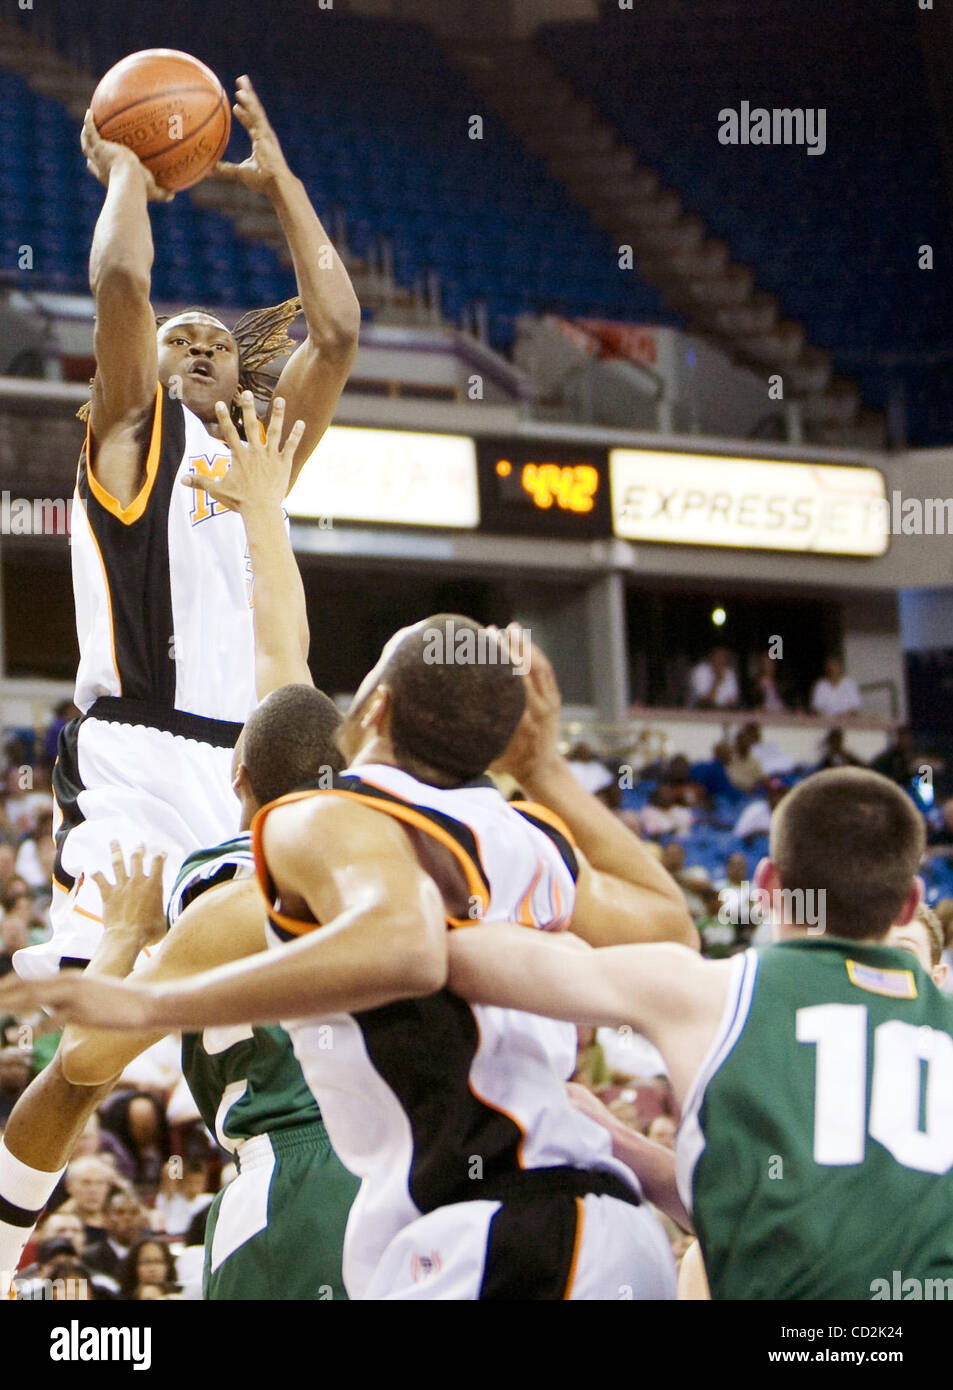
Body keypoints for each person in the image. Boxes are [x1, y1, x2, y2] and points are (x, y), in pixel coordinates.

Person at [5, 624, 697, 1301]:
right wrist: (542, 768)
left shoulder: (318, 824)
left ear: (377, 709)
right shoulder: (525, 834)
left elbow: (405, 943)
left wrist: (148, 994)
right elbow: (671, 936)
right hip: (608, 1221)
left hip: (477, 1228)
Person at [0, 75, 360, 1294]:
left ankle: (286, 1228)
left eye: (218, 336)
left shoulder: (260, 456)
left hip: (267, 755)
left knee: (302, 1031)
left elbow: (340, 330)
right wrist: (127, 172)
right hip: (145, 755)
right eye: (179, 338)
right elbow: (119, 286)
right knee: (93, 1048)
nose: (200, 340)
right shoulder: (124, 441)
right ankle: (16, 1242)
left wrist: (280, 179)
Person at [445, 767, 953, 1300]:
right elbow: (773, 1213)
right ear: (909, 902)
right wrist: (624, 1147)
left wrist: (537, 766)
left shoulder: (709, 990)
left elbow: (462, 958)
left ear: (766, 885)